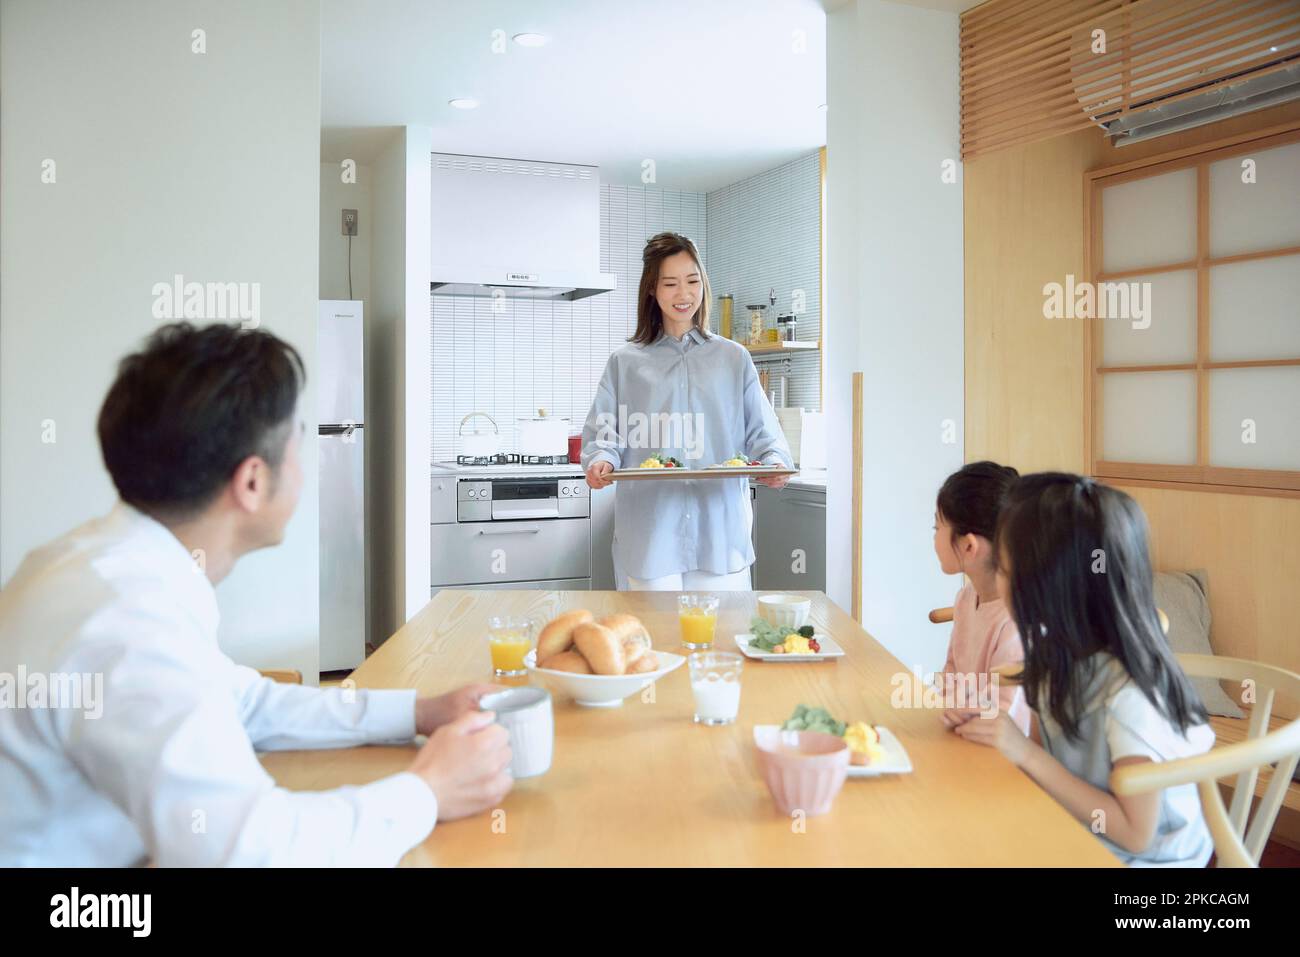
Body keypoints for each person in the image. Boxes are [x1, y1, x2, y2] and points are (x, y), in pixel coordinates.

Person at [0, 322, 512, 866]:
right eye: (298, 441)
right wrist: (429, 790)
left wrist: (418, 712)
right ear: (251, 482)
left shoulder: (106, 565)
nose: (303, 461)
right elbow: (245, 852)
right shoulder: (128, 619)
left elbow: (245, 703)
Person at [949, 473, 1214, 866]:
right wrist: (987, 722)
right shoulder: (1051, 655)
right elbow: (1047, 767)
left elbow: (1134, 835)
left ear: (1050, 586)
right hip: (1075, 832)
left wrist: (1023, 753)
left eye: (1003, 569)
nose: (997, 581)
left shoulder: (1131, 697)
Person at [581, 231, 793, 591]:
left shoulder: (733, 358)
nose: (684, 294)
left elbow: (763, 431)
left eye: (693, 281)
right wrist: (601, 460)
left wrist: (775, 462)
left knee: (723, 641)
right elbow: (603, 434)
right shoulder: (625, 362)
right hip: (651, 535)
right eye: (671, 283)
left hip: (720, 532)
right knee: (654, 644)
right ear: (652, 289)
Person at [932, 461, 1029, 733]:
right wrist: (949, 704)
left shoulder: (1016, 620)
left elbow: (1004, 713)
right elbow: (951, 671)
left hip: (1002, 760)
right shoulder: (966, 597)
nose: (935, 537)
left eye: (937, 527)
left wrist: (959, 710)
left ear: (968, 545)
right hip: (963, 737)